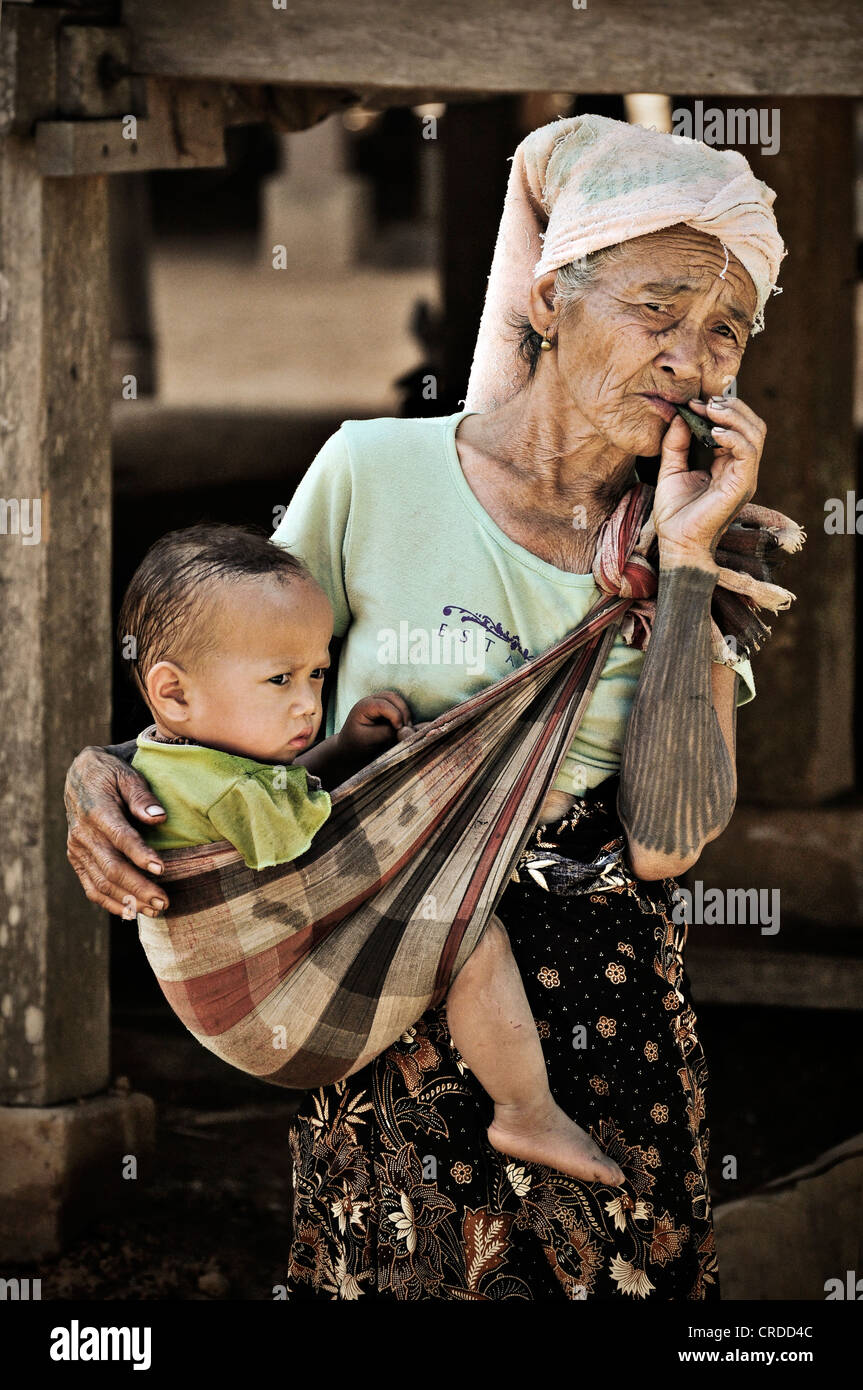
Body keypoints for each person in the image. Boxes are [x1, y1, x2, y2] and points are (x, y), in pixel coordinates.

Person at [65, 113, 787, 1299]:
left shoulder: (687, 552)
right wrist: (103, 766)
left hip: (597, 1036)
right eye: (654, 308)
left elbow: (664, 842)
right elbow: (228, 693)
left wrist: (691, 561)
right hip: (380, 1000)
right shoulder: (371, 474)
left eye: (726, 329)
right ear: (550, 299)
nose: (691, 357)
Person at [118, 521, 626, 1186]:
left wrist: (348, 750)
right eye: (279, 680)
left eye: (316, 674)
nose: (308, 704)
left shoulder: (174, 759)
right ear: (174, 692)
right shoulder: (232, 791)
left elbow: (296, 796)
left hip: (254, 1004)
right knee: (475, 937)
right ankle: (525, 1111)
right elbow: (318, 841)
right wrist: (421, 781)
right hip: (274, 1017)